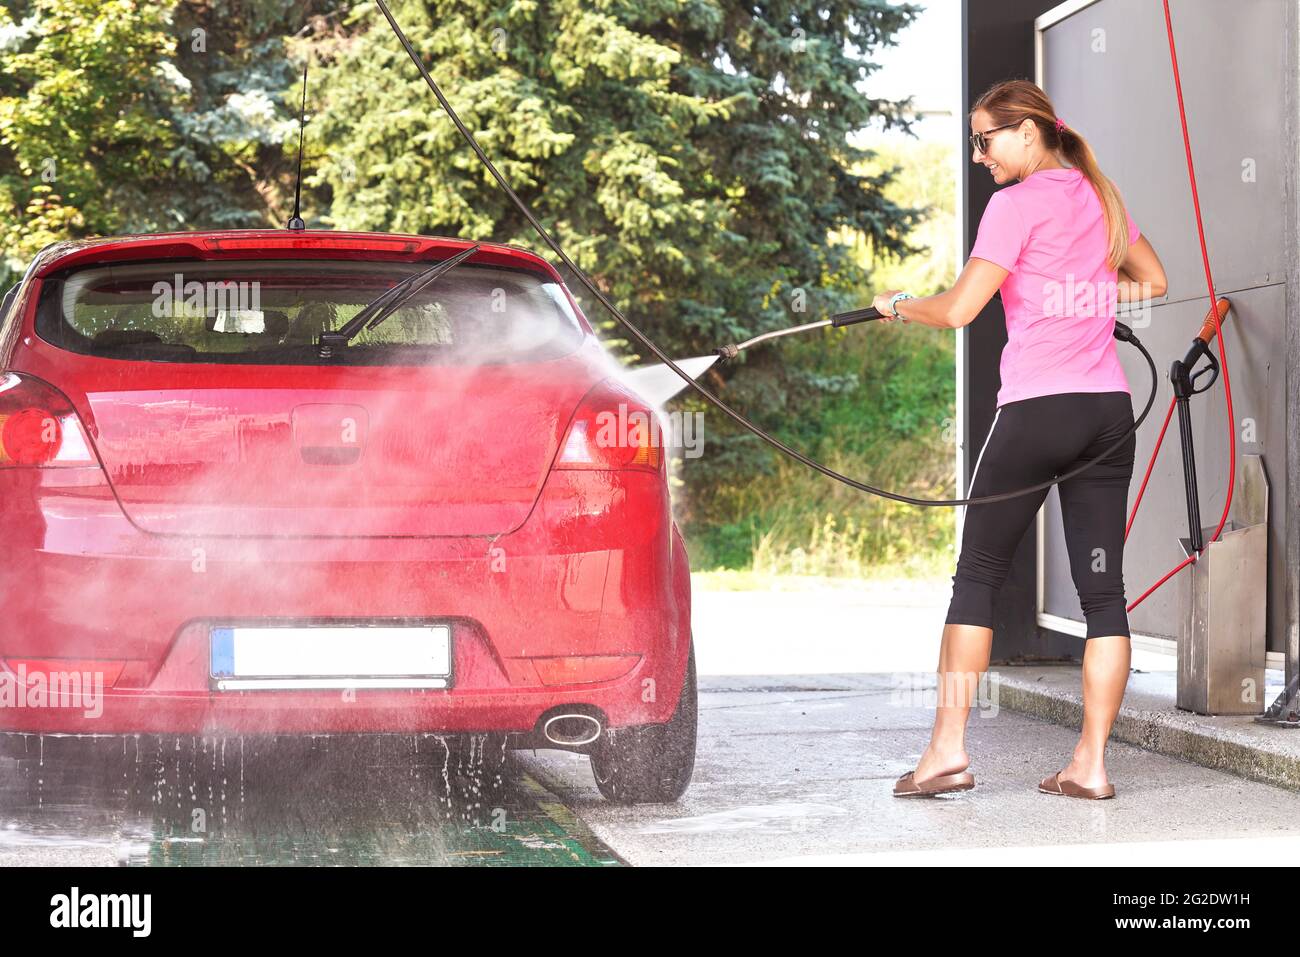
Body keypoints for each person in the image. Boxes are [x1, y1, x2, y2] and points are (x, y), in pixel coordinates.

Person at [876, 79, 1168, 800]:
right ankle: (1090, 765)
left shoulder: (1013, 206)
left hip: (1037, 412)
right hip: (1104, 412)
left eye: (986, 139)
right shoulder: (1101, 196)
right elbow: (1154, 280)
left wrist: (902, 304)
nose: (979, 155)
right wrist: (1088, 294)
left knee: (977, 576)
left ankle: (946, 752)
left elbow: (959, 310)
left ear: (1029, 132)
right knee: (1106, 594)